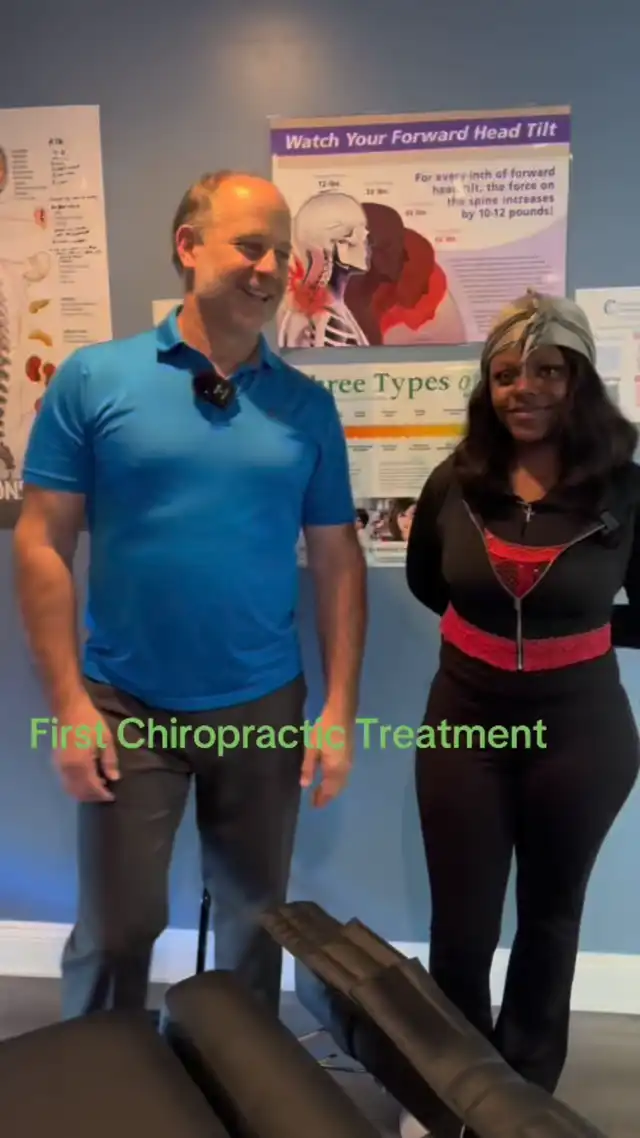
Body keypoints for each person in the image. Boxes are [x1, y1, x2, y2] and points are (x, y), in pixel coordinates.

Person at [13, 169, 367, 1020]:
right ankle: (102, 1077)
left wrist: (339, 709)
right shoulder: (95, 380)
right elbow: (41, 542)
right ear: (188, 246)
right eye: (249, 246)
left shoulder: (306, 407)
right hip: (125, 702)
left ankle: (240, 1076)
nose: (269, 267)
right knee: (118, 931)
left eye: (280, 251)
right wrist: (68, 705)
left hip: (263, 701)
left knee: (256, 926)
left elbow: (338, 559)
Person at [402, 290, 640, 1138]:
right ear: (487, 386)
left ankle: (522, 1099)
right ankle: (450, 1096)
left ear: (578, 380)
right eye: (505, 374)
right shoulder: (454, 480)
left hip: (583, 735)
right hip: (466, 726)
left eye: (547, 370)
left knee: (550, 918)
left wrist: (570, 630)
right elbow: (428, 583)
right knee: (460, 925)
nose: (524, 389)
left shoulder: (625, 488)